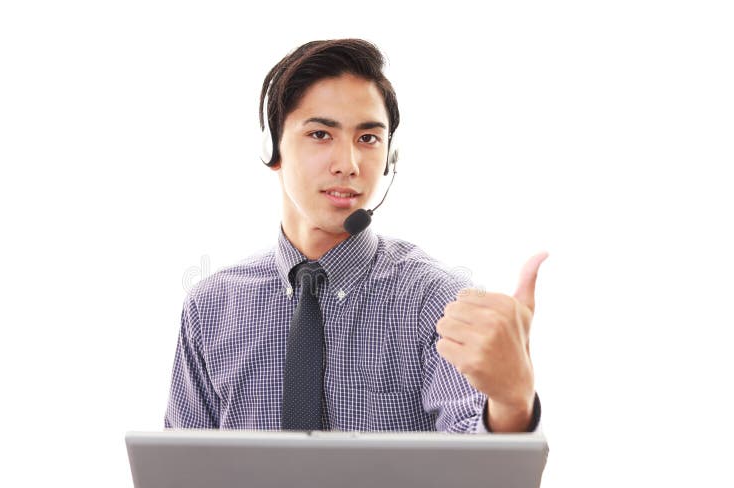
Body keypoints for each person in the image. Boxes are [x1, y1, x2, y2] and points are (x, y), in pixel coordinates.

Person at [165, 38, 546, 433]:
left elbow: (474, 455)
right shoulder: (210, 309)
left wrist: (511, 402)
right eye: (320, 134)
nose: (348, 164)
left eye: (367, 139)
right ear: (272, 147)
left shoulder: (435, 301)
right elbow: (181, 464)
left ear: (389, 159)